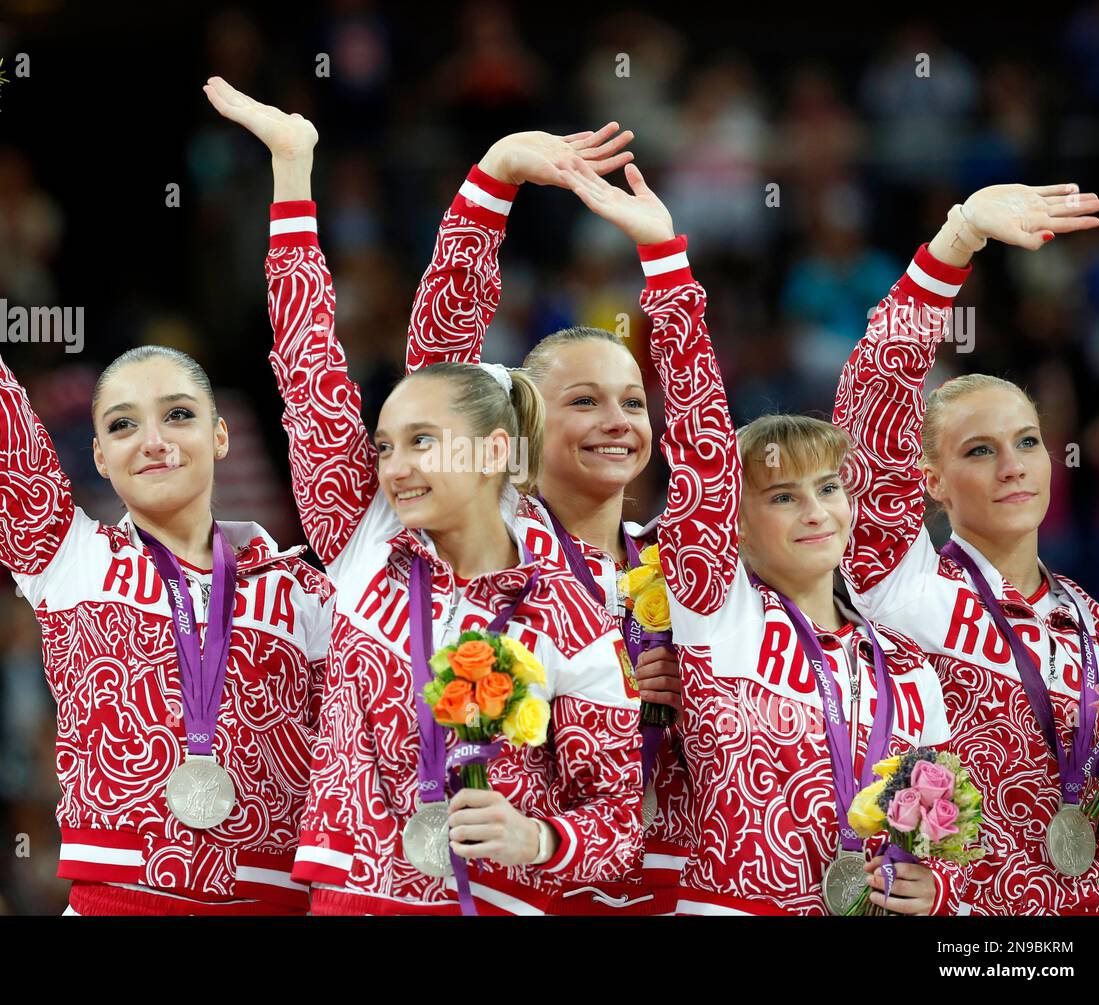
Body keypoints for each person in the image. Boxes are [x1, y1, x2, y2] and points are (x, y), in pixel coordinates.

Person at [0, 105, 334, 916]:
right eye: (122, 424)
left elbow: (316, 389)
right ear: (101, 456)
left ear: (223, 435)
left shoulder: (310, 593)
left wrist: (292, 180)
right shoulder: (69, 558)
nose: (153, 438)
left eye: (180, 414)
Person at [203, 77, 644, 915]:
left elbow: (618, 816)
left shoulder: (572, 604)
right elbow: (308, 366)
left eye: (421, 443)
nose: (394, 467)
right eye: (385, 446)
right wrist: (299, 173)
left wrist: (541, 838)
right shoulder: (364, 530)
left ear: (493, 451)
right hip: (354, 898)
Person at [554, 157, 966, 915]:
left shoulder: (909, 669)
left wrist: (930, 891)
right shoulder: (721, 613)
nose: (816, 511)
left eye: (828, 488)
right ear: (736, 523)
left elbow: (947, 862)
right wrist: (666, 266)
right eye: (782, 494)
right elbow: (706, 449)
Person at [403, 131, 691, 914]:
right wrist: (492, 183)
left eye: (634, 401)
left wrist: (666, 257)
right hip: (505, 890)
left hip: (665, 889)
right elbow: (438, 362)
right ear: (524, 427)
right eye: (584, 400)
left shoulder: (677, 565)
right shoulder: (490, 530)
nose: (617, 421)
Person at [833, 183, 1099, 914]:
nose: (1013, 464)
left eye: (1027, 440)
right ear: (929, 479)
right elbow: (870, 405)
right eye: (980, 449)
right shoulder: (900, 581)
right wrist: (956, 240)